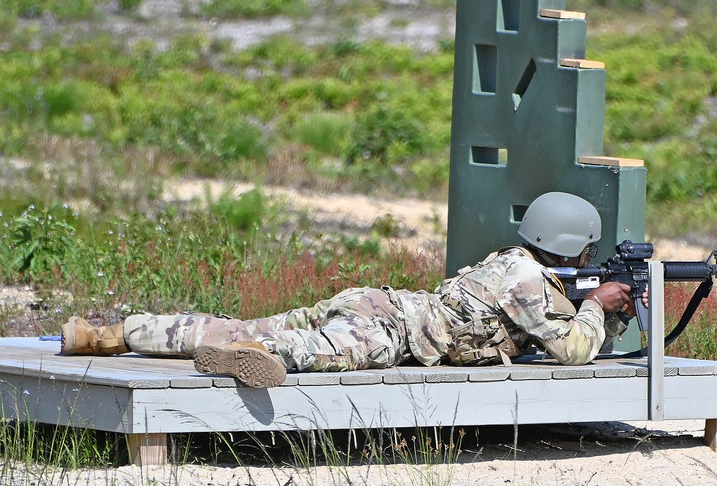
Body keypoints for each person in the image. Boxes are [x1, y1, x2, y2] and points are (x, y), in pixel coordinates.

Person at [60, 192, 637, 388]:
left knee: (243, 323)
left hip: (378, 303)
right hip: (390, 330)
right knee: (312, 354)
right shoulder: (531, 281)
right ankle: (256, 361)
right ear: (569, 246)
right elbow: (573, 350)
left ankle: (108, 334)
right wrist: (598, 305)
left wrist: (598, 305)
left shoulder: (513, 261)